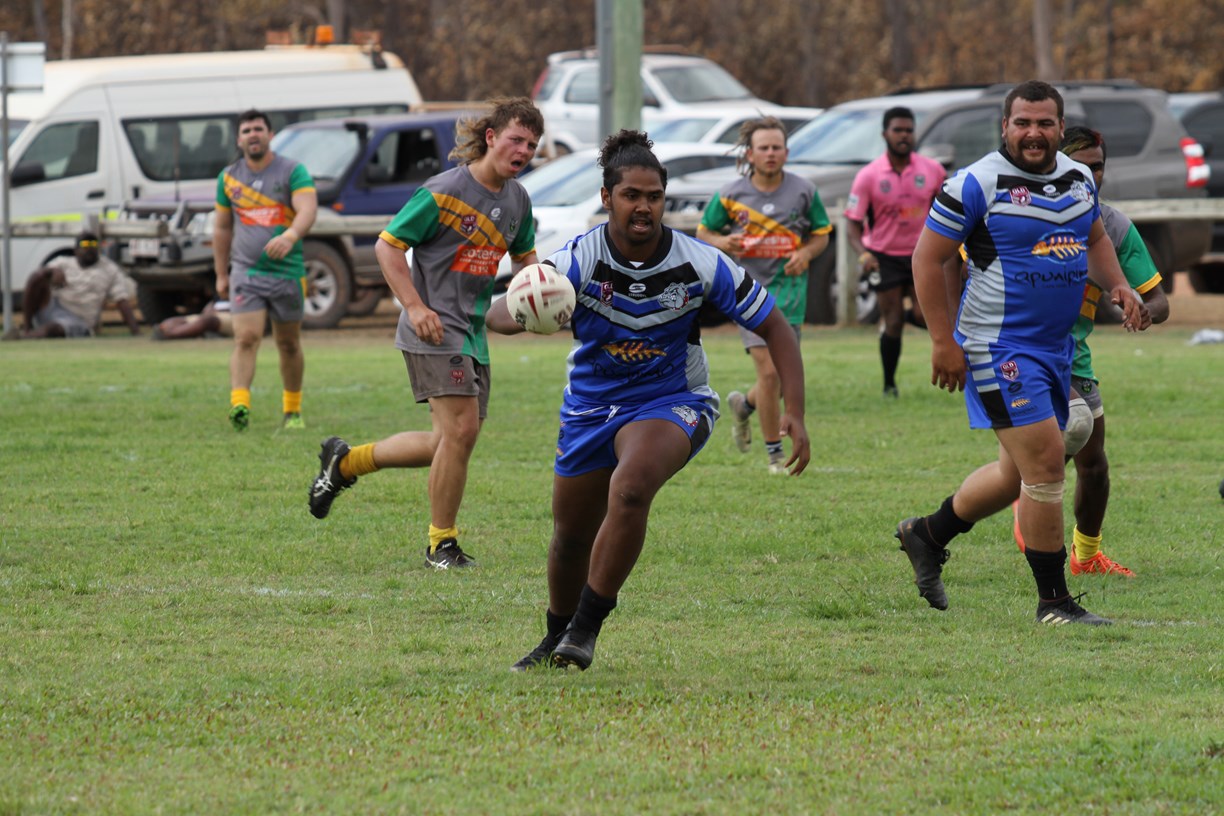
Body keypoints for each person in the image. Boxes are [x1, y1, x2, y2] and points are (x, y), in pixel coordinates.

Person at [491, 130, 811, 672]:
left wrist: (795, 413)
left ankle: (587, 628)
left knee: (633, 487)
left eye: (654, 196)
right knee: (570, 534)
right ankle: (555, 636)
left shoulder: (700, 262)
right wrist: (530, 311)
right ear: (607, 197)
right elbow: (502, 310)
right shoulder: (578, 259)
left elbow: (776, 328)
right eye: (631, 195)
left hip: (673, 400)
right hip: (591, 407)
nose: (643, 207)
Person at [895, 80, 1146, 626]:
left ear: (1060, 128)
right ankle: (1054, 603)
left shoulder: (1078, 179)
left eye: (1045, 123)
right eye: (1023, 123)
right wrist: (943, 341)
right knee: (1047, 464)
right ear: (1004, 127)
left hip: (1055, 350)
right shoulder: (974, 184)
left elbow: (1095, 239)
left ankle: (926, 534)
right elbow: (927, 259)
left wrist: (1119, 285)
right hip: (998, 346)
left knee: (1016, 474)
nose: (1034, 133)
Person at [307, 97, 544, 570]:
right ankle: (442, 544)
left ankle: (345, 463)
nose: (523, 151)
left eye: (532, 145)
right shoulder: (443, 191)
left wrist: (538, 297)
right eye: (516, 139)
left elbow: (524, 262)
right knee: (460, 430)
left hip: (473, 331)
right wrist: (414, 306)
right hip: (434, 330)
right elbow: (388, 246)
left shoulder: (517, 200)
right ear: (492, 137)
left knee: (448, 440)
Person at [1011, 126, 1170, 576]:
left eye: (1098, 166)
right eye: (1082, 165)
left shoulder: (1114, 226)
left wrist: (1143, 309)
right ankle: (1026, 507)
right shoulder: (1023, 212)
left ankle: (1086, 556)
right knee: (1058, 444)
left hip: (1074, 357)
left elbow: (1160, 300)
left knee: (1095, 466)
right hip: (1026, 352)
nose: (1092, 175)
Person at [696, 116, 830, 473]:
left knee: (781, 378)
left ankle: (745, 405)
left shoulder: (804, 191)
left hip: (790, 295)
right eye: (764, 148)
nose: (771, 154)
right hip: (749, 293)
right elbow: (704, 232)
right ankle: (774, 455)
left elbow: (821, 234)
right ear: (750, 154)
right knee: (770, 374)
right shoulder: (730, 194)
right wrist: (724, 241)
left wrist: (805, 254)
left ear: (786, 152)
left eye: (776, 147)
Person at [214, 108, 318, 432]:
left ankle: (293, 411)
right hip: (246, 273)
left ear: (270, 135)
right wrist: (220, 273)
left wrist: (290, 236)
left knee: (288, 343)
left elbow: (308, 209)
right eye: (246, 131)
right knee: (245, 338)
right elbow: (221, 229)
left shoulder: (292, 171)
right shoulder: (228, 178)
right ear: (239, 139)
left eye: (258, 129)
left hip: (288, 273)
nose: (253, 135)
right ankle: (240, 405)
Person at [844, 106, 947, 398]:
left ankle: (952, 355)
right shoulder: (869, 175)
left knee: (922, 313)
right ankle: (889, 384)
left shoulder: (933, 171)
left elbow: (950, 214)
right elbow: (853, 224)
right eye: (898, 130)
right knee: (892, 320)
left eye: (908, 130)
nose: (904, 136)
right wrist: (864, 254)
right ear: (885, 134)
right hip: (883, 256)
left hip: (923, 254)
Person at [6, 231, 141, 339]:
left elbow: (122, 301)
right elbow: (38, 277)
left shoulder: (110, 269)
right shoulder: (63, 263)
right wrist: (51, 271)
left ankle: (24, 337)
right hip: (53, 307)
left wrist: (135, 331)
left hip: (79, 318)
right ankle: (28, 327)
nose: (89, 248)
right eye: (85, 244)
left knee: (53, 329)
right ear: (76, 250)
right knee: (37, 277)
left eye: (93, 244)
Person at [150, 299, 234, 340]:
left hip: (233, 316)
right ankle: (165, 330)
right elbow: (211, 303)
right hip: (212, 313)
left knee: (207, 321)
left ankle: (170, 334)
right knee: (171, 322)